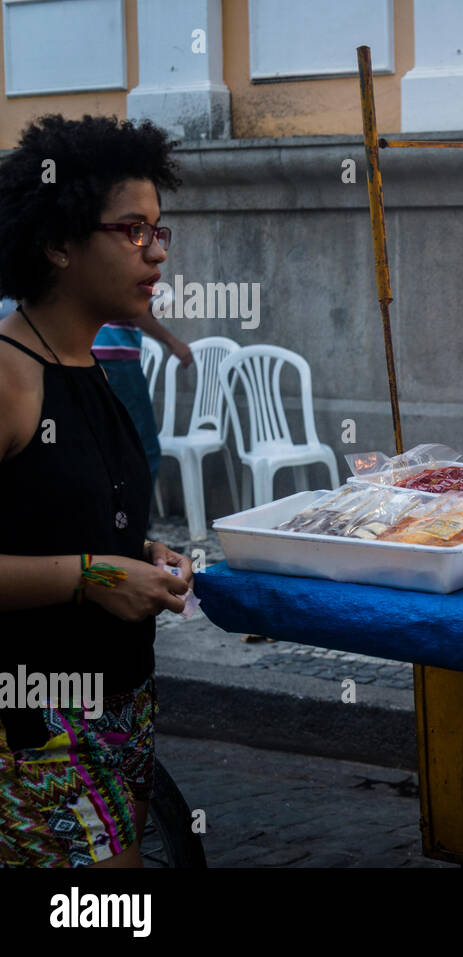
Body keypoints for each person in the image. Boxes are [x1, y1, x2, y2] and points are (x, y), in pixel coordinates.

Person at [0, 114, 194, 868]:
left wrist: (137, 550)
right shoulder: (12, 376)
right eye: (132, 228)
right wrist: (92, 576)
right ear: (59, 243)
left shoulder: (92, 364)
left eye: (159, 227)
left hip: (121, 704)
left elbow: (56, 510)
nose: (156, 250)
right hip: (35, 716)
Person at [93, 306, 193, 485]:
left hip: (90, 353)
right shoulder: (118, 278)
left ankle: (111, 510)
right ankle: (131, 511)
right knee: (144, 449)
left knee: (104, 445)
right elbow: (129, 306)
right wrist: (172, 341)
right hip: (116, 356)